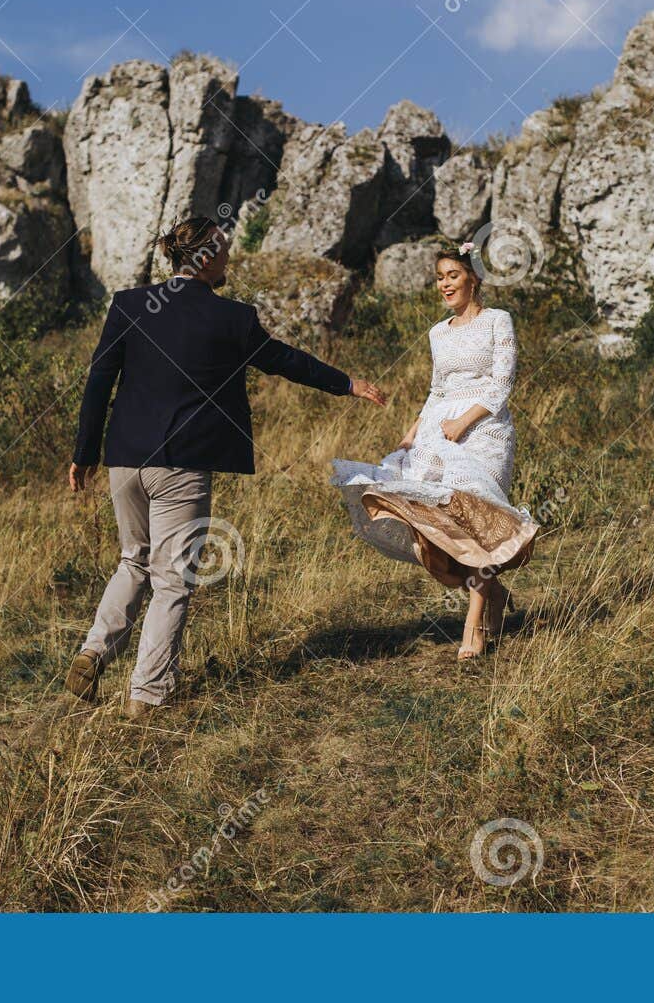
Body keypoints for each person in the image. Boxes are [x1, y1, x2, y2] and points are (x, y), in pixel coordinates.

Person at [67, 216, 387, 719]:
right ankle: (146, 696)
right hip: (182, 463)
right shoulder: (233, 319)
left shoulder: (129, 305)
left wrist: (83, 453)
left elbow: (98, 381)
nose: (229, 261)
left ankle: (92, 653)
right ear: (207, 258)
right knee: (173, 579)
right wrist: (346, 383)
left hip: (124, 458)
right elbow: (284, 360)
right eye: (225, 252)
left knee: (134, 559)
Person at [331, 243, 536, 660]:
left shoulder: (499, 321)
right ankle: (492, 594)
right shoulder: (437, 332)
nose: (444, 284)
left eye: (452, 275)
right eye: (440, 277)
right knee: (436, 533)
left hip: (485, 430)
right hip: (438, 434)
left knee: (476, 519)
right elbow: (436, 391)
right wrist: (410, 436)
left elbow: (502, 382)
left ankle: (472, 628)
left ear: (473, 278)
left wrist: (465, 422)